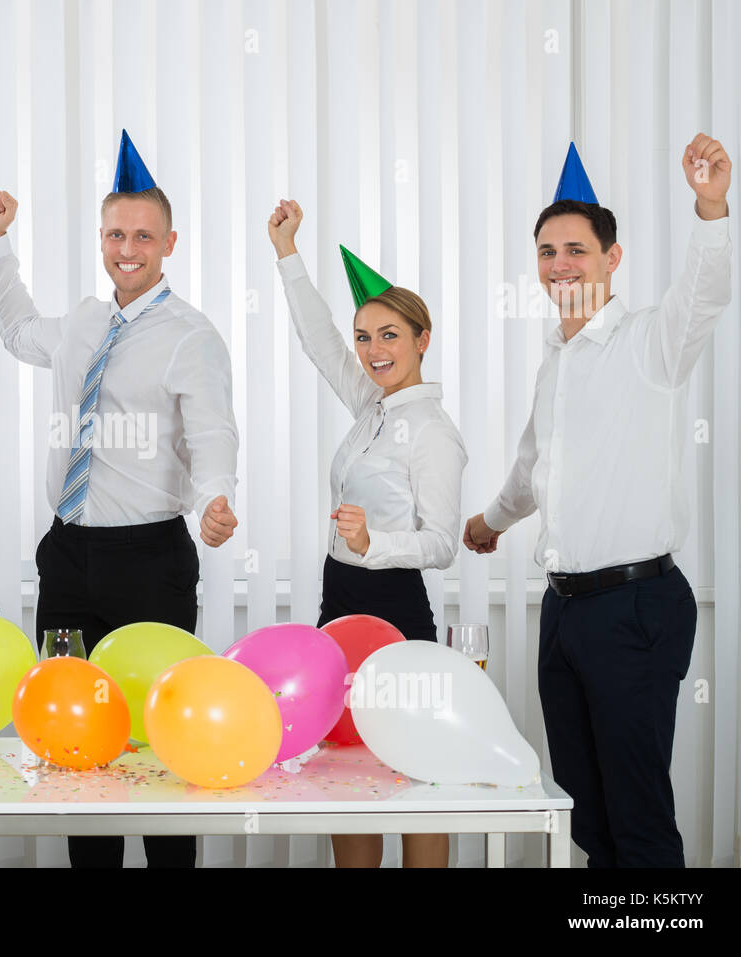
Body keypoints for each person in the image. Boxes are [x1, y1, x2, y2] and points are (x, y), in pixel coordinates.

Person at [463, 136, 732, 867]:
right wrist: (490, 522)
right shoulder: (556, 358)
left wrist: (710, 205)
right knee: (586, 807)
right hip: (566, 610)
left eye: (576, 249)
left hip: (635, 607)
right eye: (548, 251)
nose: (560, 264)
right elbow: (533, 463)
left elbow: (706, 293)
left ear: (612, 259)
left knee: (638, 808)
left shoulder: (652, 342)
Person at [0, 130, 239, 868]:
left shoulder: (192, 336)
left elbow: (214, 432)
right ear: (102, 237)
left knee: (159, 738)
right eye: (116, 233)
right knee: (74, 738)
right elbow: (20, 330)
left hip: (148, 557)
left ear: (170, 243)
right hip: (67, 553)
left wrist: (217, 497)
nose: (129, 248)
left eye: (144, 236)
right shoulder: (84, 322)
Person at [269, 199, 467, 868]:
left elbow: (443, 543)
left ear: (421, 338)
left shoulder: (434, 433)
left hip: (397, 612)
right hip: (339, 608)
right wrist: (287, 253)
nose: (373, 350)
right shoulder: (370, 408)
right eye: (365, 336)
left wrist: (371, 545)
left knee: (410, 775)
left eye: (389, 335)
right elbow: (318, 340)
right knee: (344, 776)